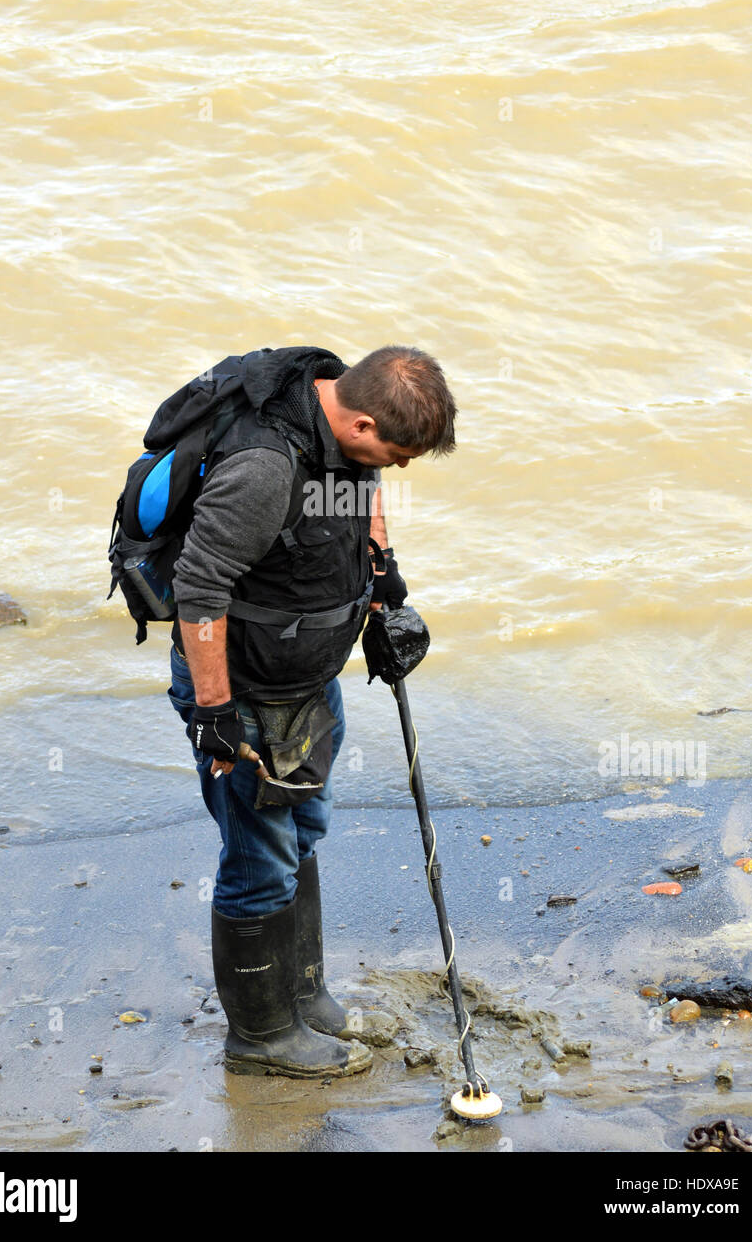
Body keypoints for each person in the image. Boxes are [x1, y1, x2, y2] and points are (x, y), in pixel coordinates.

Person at [166, 344, 456, 1079]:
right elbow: (200, 590)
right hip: (243, 690)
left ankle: (304, 995)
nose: (398, 467)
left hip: (304, 676)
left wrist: (384, 585)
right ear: (359, 422)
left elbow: (360, 496)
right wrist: (214, 714)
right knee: (259, 859)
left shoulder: (338, 425)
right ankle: (260, 1036)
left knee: (303, 830)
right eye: (395, 452)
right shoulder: (264, 469)